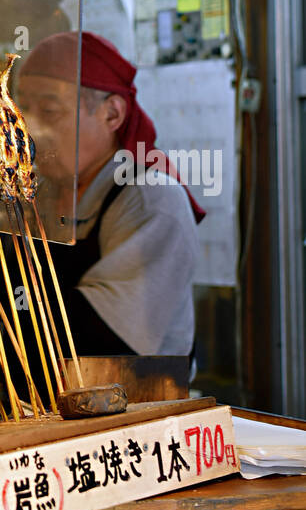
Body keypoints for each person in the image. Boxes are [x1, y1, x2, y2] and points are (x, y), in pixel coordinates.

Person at [16, 31, 203, 362]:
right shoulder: (35, 194)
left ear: (112, 114)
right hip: (32, 404)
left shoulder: (151, 198)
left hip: (133, 407)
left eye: (49, 111)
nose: (28, 128)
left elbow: (106, 335)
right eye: (23, 109)